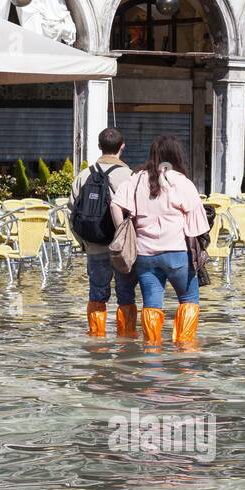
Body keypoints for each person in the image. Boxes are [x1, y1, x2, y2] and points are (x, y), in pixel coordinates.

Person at [109, 135, 210, 345]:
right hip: (177, 254)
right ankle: (185, 352)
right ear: (176, 155)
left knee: (152, 305)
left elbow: (115, 205)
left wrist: (123, 230)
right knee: (189, 300)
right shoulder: (181, 181)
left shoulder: (136, 179)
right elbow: (199, 224)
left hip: (145, 254)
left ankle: (151, 354)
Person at [70, 127, 136, 337]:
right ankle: (126, 342)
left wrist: (84, 242)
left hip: (94, 245)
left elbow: (72, 214)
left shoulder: (83, 175)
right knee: (126, 293)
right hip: (122, 248)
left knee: (97, 294)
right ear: (122, 147)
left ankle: (96, 342)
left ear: (99, 146)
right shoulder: (130, 176)